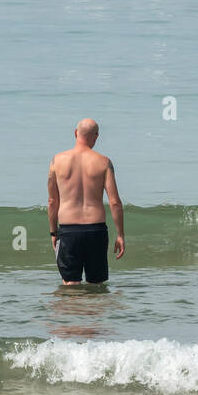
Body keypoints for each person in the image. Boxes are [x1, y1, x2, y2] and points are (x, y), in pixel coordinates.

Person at [48, 118, 125, 285]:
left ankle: (73, 310)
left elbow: (53, 201)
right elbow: (115, 202)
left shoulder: (57, 161)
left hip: (68, 231)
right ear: (96, 136)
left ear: (76, 133)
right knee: (96, 285)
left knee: (70, 284)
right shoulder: (104, 162)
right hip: (96, 230)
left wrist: (53, 232)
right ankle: (93, 310)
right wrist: (120, 235)